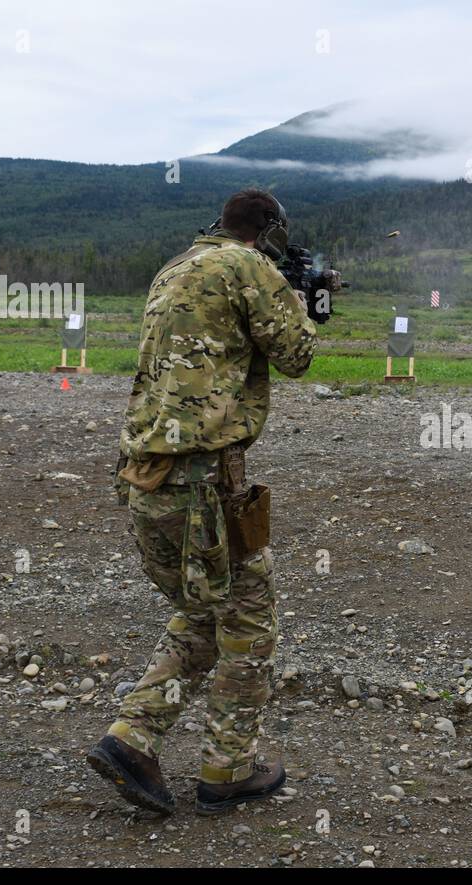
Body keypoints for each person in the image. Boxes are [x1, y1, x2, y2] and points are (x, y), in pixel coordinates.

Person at [87, 187, 317, 815]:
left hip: (145, 477)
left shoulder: (176, 266)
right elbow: (295, 355)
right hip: (205, 482)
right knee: (249, 621)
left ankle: (131, 739)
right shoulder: (251, 267)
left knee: (203, 611)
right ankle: (227, 769)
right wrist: (301, 304)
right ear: (268, 231)